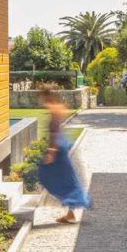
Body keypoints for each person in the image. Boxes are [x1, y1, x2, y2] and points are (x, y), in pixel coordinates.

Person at [37, 86, 91, 223]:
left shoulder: (54, 109)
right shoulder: (58, 107)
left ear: (45, 96)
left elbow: (55, 132)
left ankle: (73, 202)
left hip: (57, 149)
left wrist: (51, 152)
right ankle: (71, 210)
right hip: (61, 146)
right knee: (65, 178)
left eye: (41, 97)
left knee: (47, 176)